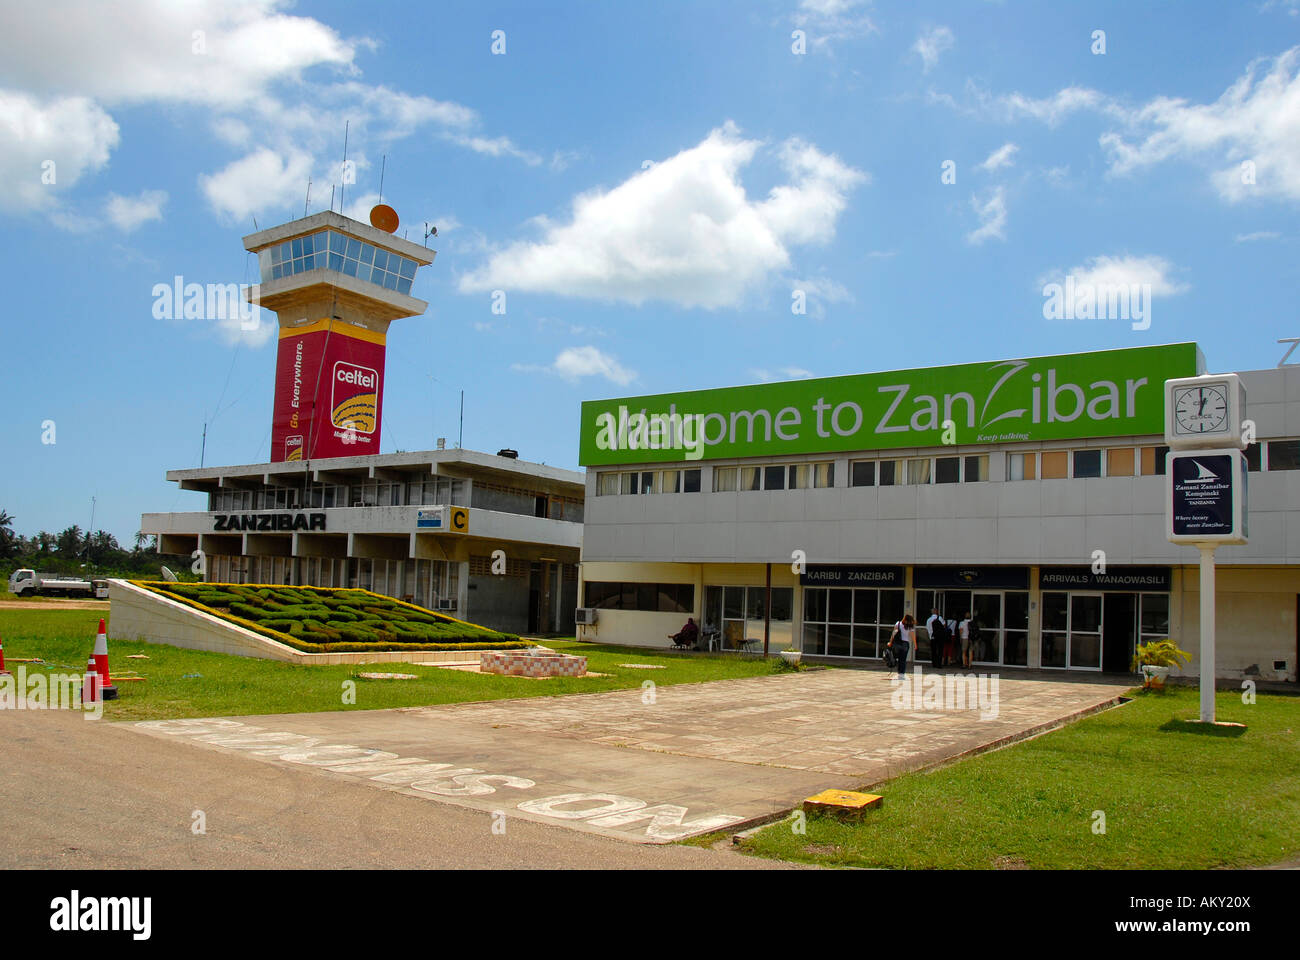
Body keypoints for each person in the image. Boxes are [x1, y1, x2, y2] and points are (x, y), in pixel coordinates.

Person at [888, 613, 916, 678]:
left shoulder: (898, 623)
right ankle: (901, 674)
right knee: (903, 659)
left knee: (896, 658)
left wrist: (890, 642)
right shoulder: (910, 626)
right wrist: (915, 644)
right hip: (905, 644)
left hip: (897, 644)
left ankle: (899, 671)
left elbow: (893, 634)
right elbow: (913, 636)